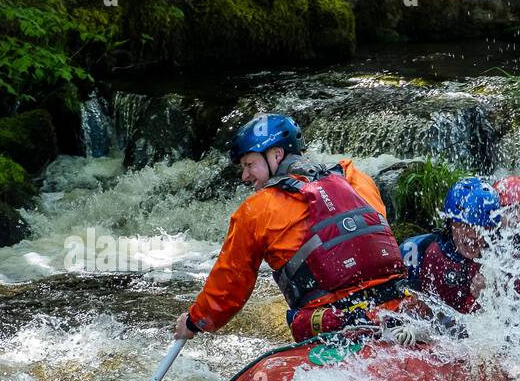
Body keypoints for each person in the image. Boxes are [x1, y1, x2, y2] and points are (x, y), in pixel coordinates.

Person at [173, 114, 407, 343]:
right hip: (399, 308)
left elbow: (228, 288)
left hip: (334, 322)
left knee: (299, 319)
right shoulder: (356, 178)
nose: (245, 176)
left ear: (276, 155)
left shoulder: (257, 210)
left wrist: (195, 321)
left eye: (249, 164)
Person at [402, 177, 501, 315]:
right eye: (465, 225)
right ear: (450, 224)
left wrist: (490, 299)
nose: (473, 235)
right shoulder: (415, 249)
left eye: (482, 227)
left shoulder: (499, 264)